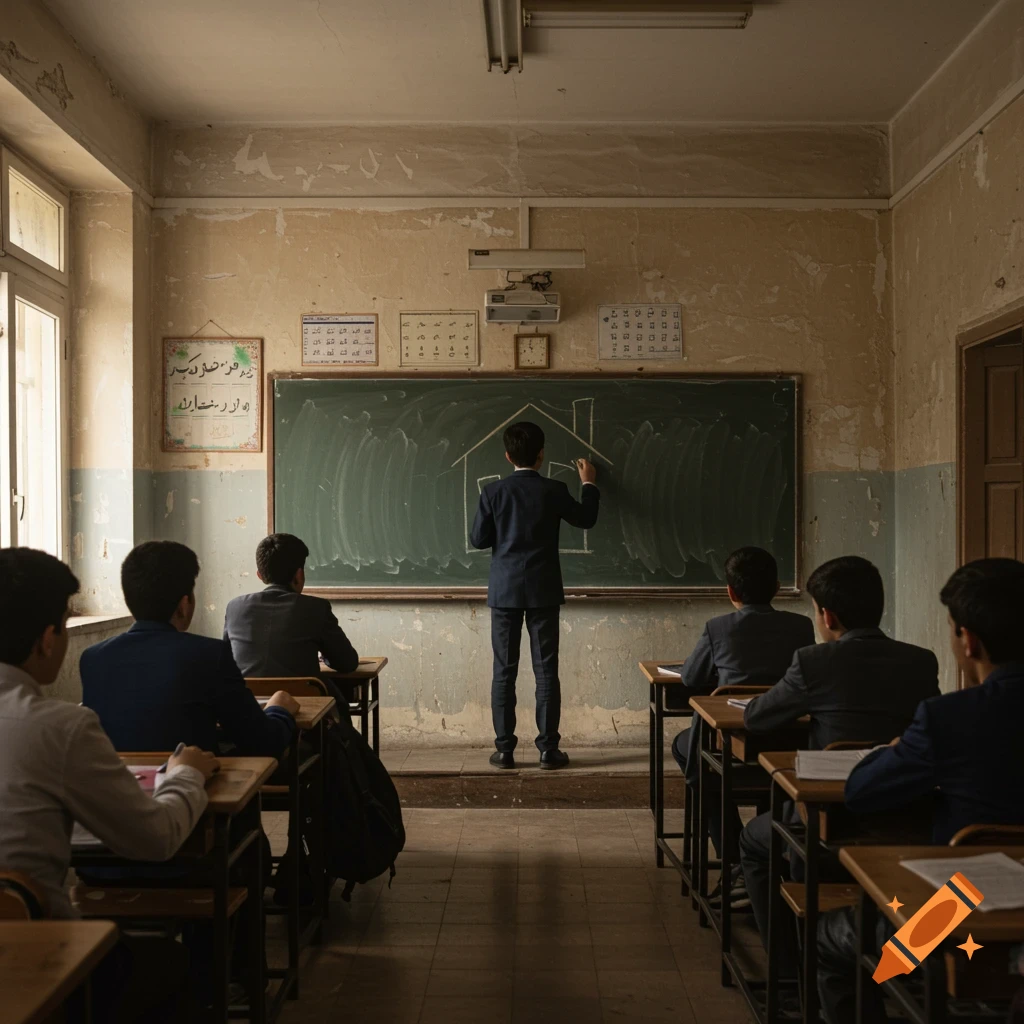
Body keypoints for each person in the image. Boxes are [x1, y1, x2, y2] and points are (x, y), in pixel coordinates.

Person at [0, 547, 216, 1020]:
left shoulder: (89, 674)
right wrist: (184, 776)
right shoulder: (59, 727)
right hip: (42, 958)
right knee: (175, 968)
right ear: (47, 639)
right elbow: (155, 839)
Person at [816, 557, 1024, 1024]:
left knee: (832, 936)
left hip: (955, 917)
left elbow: (861, 793)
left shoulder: (947, 718)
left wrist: (895, 748)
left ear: (968, 640)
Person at [738, 555, 940, 962]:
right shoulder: (921, 660)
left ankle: (785, 963)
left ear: (827, 616)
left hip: (829, 829)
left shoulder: (814, 662)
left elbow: (757, 718)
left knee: (752, 841)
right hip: (909, 825)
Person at [668, 546, 813, 906]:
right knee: (752, 767)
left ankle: (736, 862)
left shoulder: (718, 628)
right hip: (788, 746)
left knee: (691, 751)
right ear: (778, 587)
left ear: (730, 591)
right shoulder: (801, 626)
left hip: (730, 747)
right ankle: (764, 854)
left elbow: (690, 678)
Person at [81, 540, 299, 756]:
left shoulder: (92, 659)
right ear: (184, 605)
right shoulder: (210, 655)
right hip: (195, 785)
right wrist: (279, 710)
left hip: (121, 786)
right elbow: (261, 742)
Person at [470, 421, 600, 770]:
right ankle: (547, 750)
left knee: (504, 672)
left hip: (504, 592)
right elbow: (586, 518)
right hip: (543, 590)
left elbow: (478, 540)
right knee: (546, 672)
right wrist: (589, 484)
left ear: (508, 455)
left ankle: (505, 750)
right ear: (541, 455)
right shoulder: (554, 489)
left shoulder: (492, 492)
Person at [223, 532, 359, 684]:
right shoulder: (316, 608)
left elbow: (226, 663)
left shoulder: (234, 608)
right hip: (303, 704)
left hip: (248, 703)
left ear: (260, 575)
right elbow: (347, 663)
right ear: (299, 575)